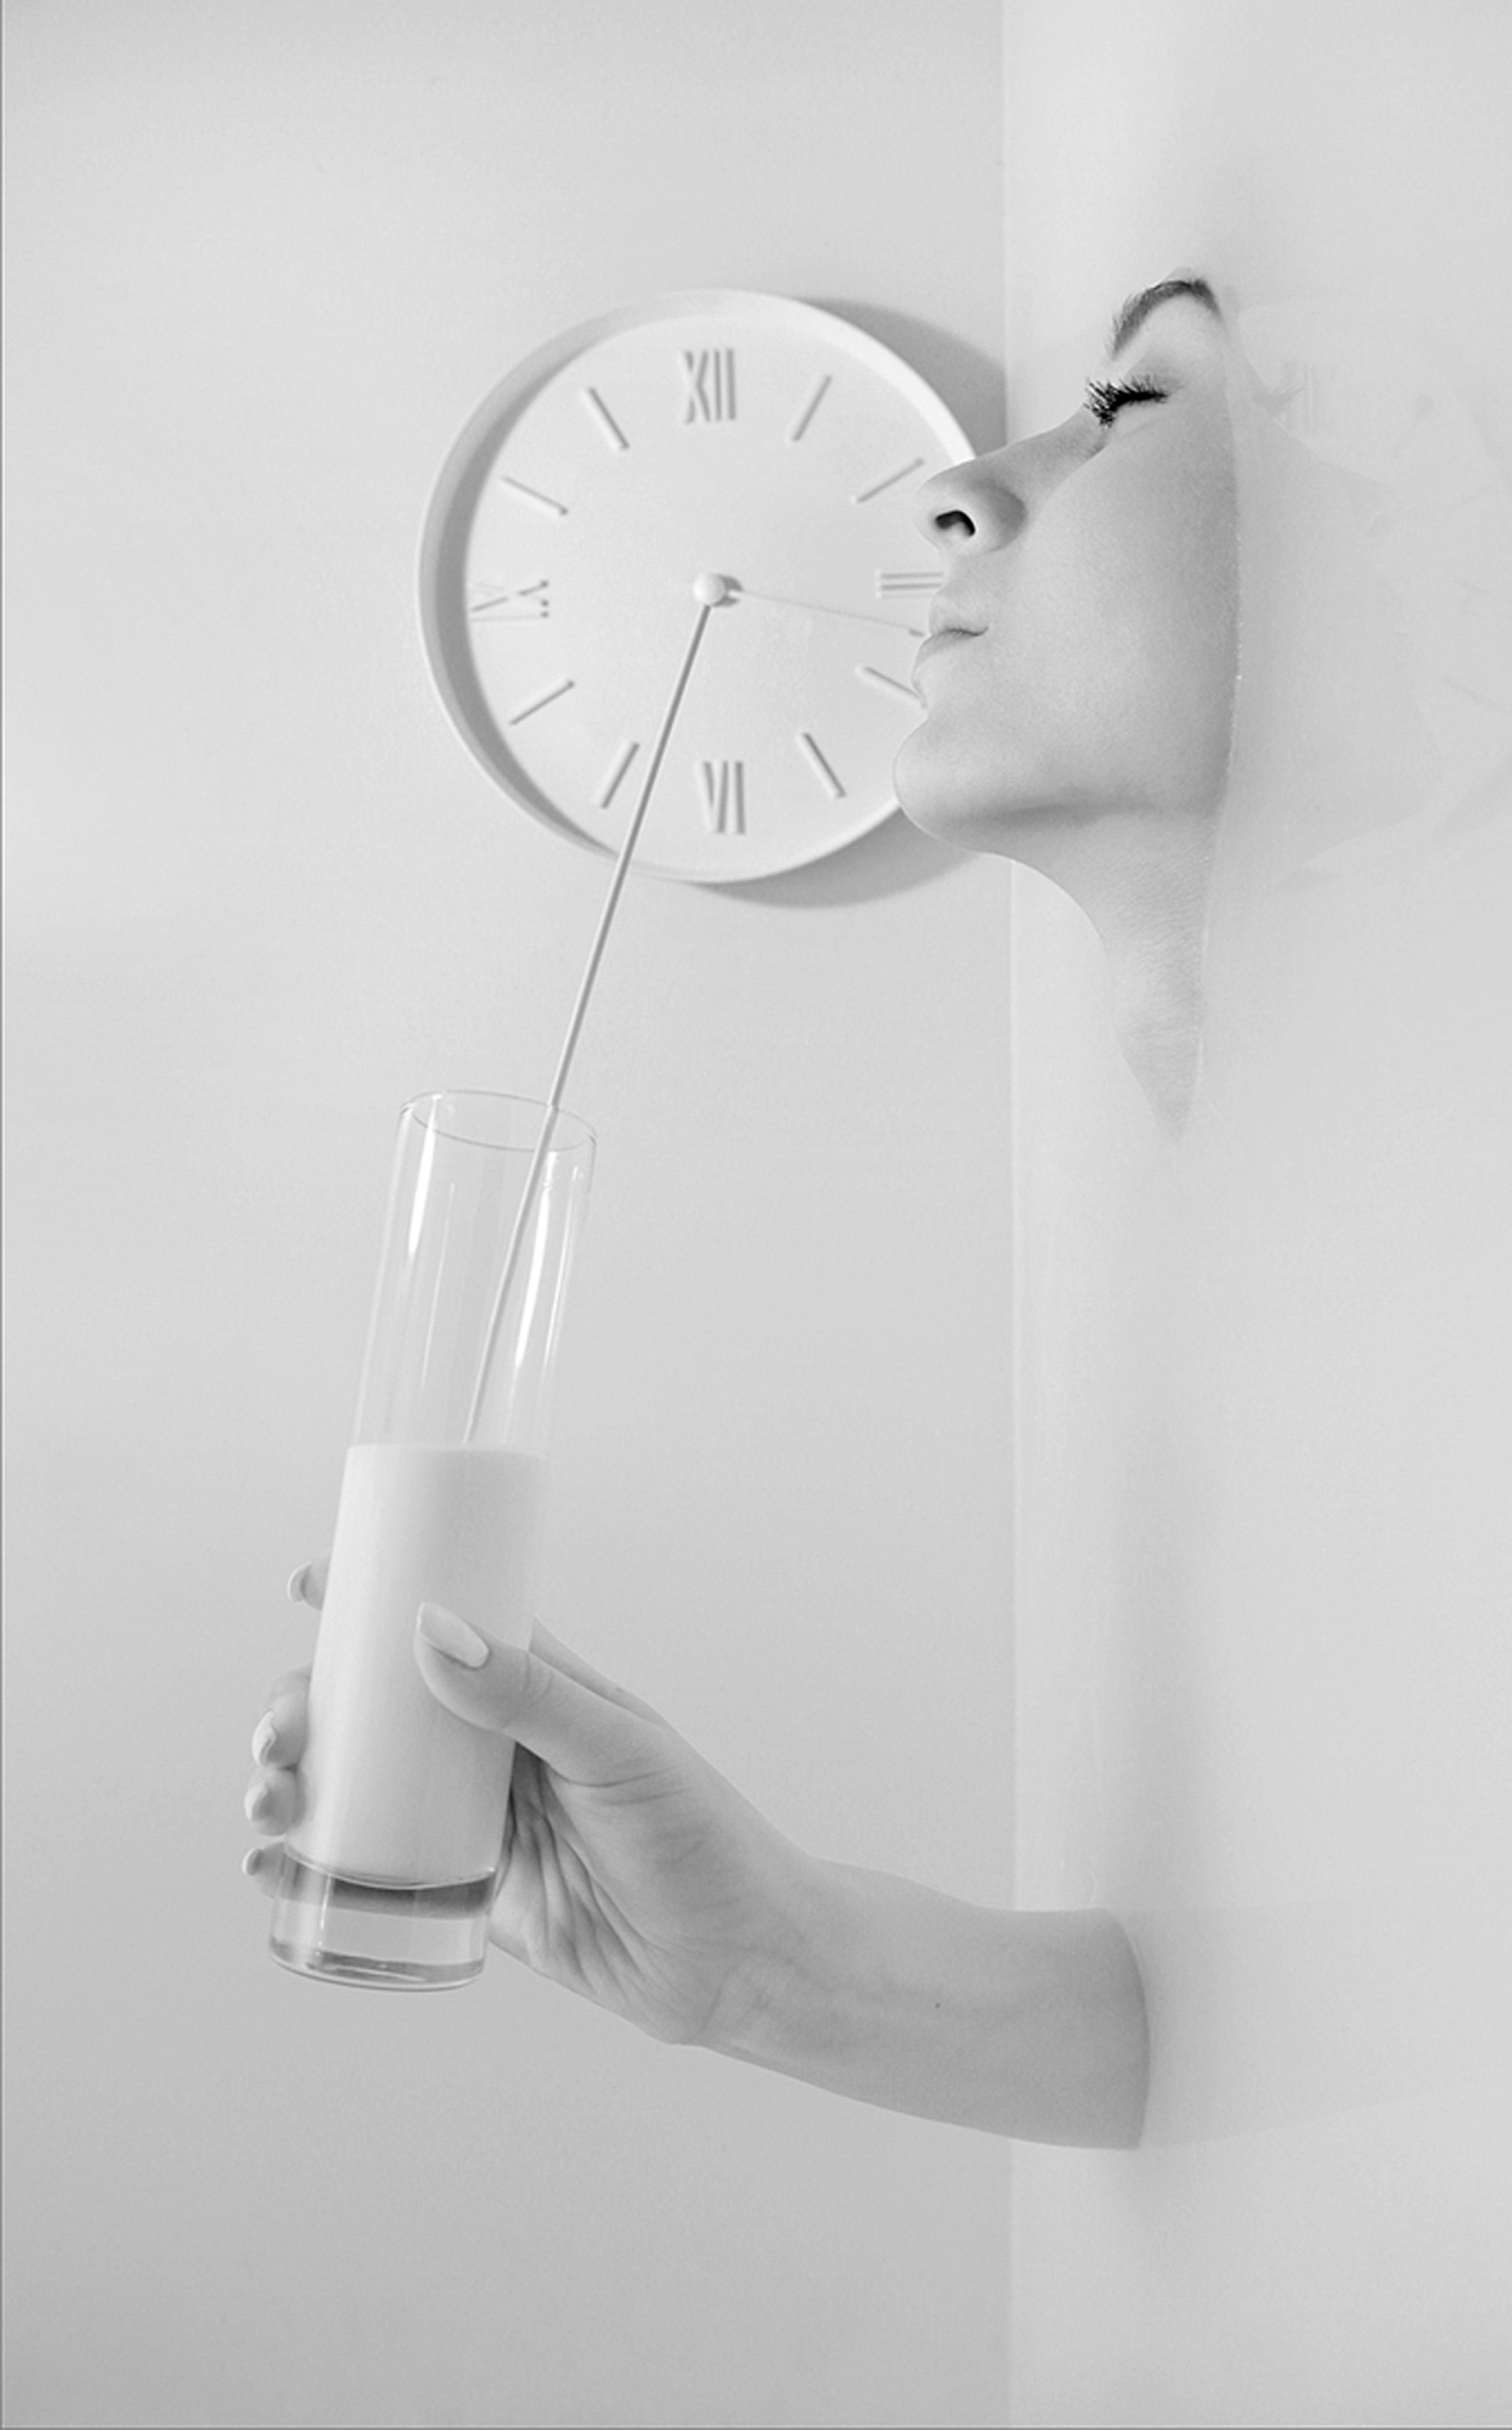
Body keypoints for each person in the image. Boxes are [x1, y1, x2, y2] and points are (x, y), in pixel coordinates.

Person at [243, 271, 1256, 2150]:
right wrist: (753, 1966)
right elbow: (1324, 2042)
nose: (958, 487)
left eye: (1126, 412)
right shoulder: (1232, 1255)